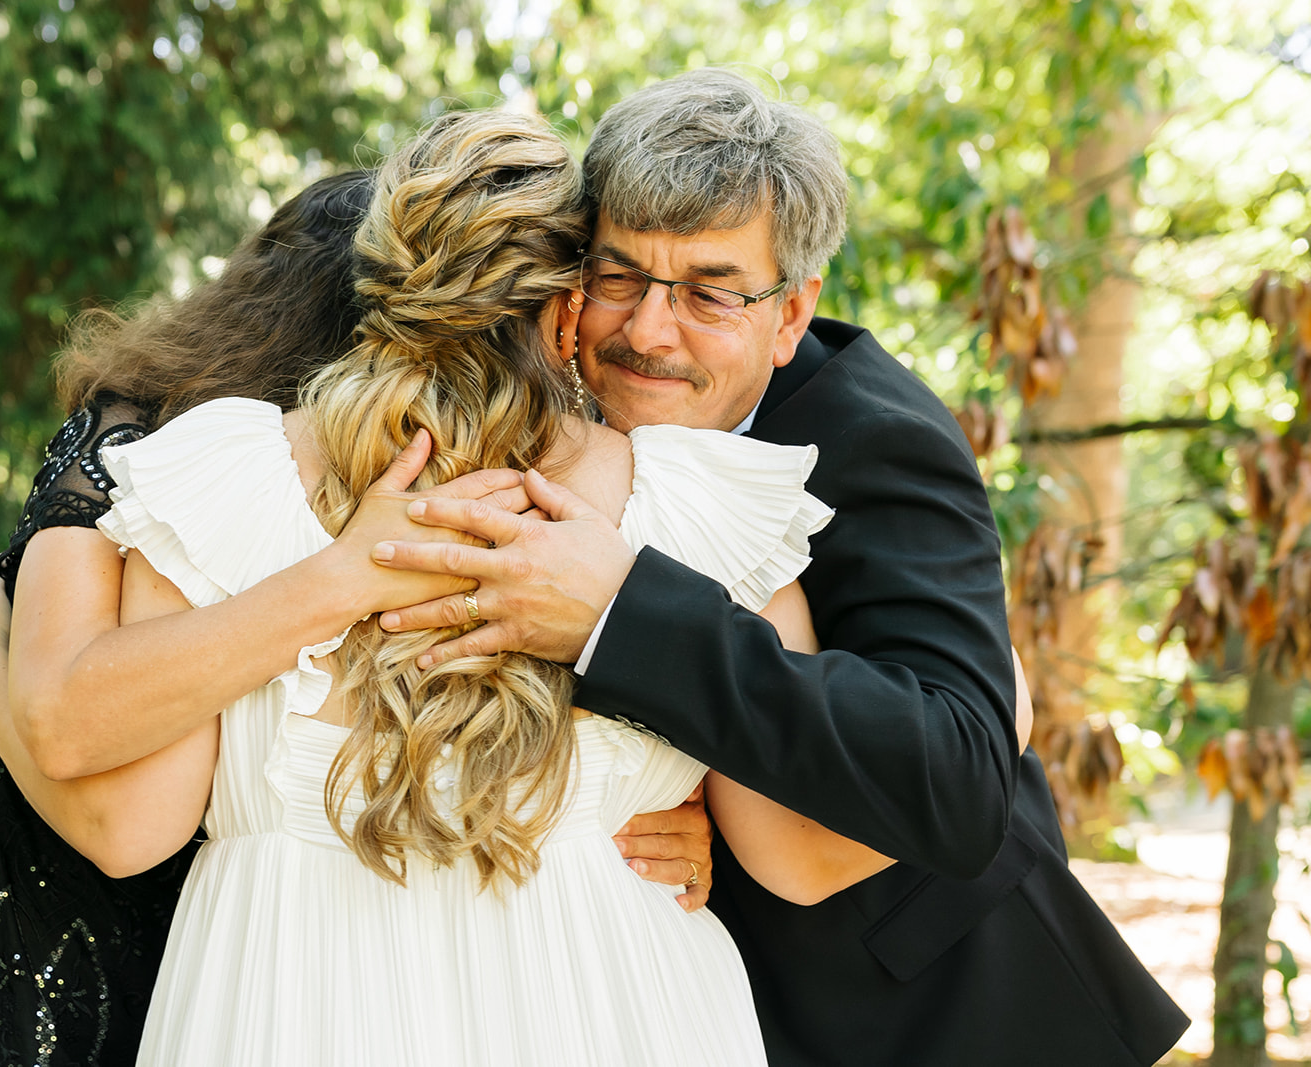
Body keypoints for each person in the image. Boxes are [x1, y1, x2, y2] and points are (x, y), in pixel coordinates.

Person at [0, 107, 882, 1066]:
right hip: (617, 1011)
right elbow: (800, 851)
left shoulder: (227, 476)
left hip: (292, 1010)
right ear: (568, 309)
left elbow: (134, 823)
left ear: (377, 279)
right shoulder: (697, 503)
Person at [371, 69, 1190, 1066]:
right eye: (620, 276)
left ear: (792, 312)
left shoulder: (877, 441)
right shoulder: (542, 401)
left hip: (940, 1016)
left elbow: (958, 776)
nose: (647, 330)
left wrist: (621, 613)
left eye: (710, 292)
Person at [0, 171, 714, 1065]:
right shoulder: (151, 447)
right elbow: (106, 793)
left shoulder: (420, 464)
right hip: (47, 961)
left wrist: (669, 807)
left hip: (246, 967)